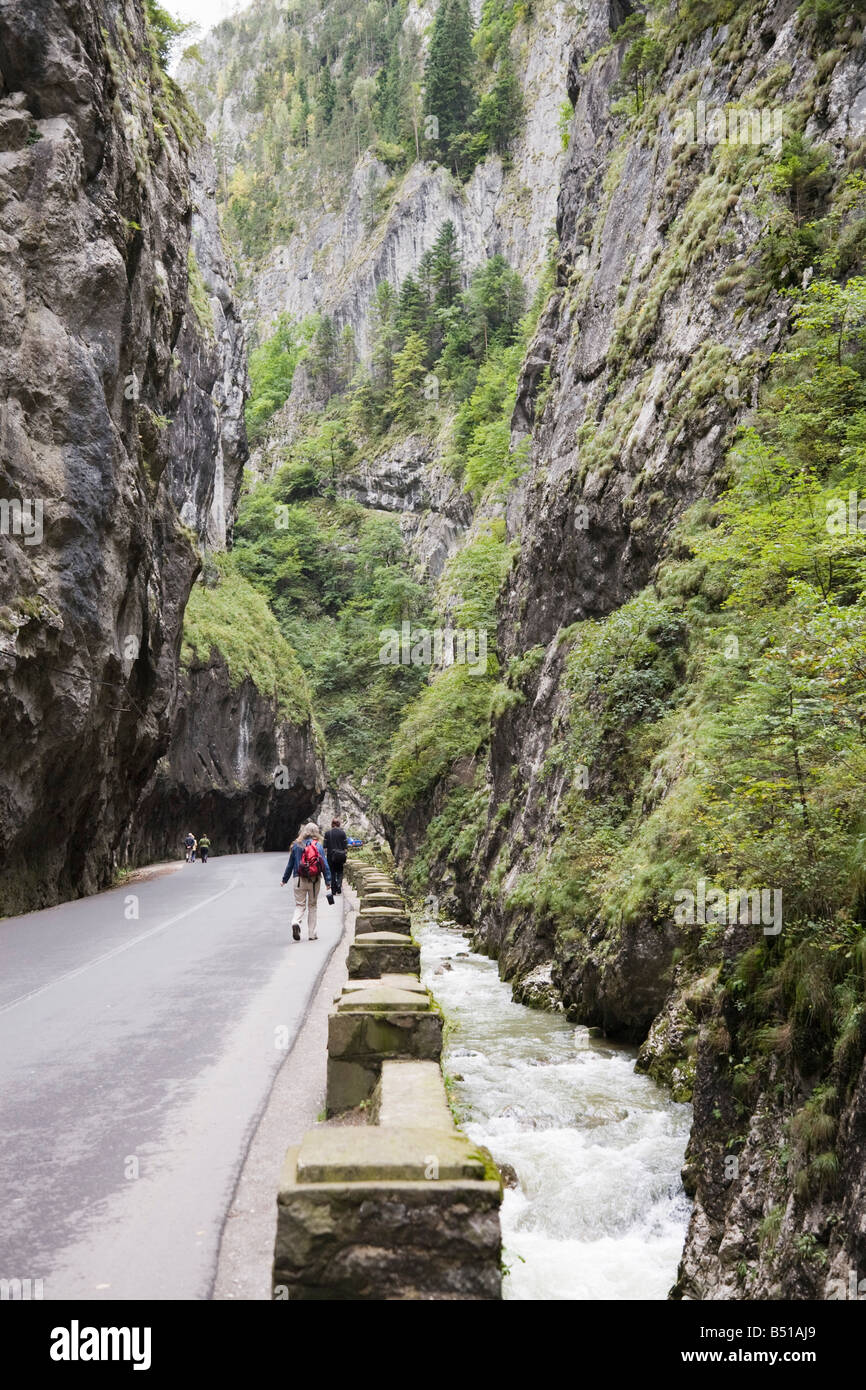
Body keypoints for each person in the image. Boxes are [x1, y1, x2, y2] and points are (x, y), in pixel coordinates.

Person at [281, 822, 332, 941]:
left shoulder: (296, 845)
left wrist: (284, 879)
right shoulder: (318, 846)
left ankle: (295, 922)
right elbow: (324, 865)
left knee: (300, 905)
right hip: (314, 880)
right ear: (316, 832)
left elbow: (290, 865)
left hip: (298, 879)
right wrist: (328, 881)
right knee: (312, 906)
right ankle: (311, 933)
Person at [323, 818, 348, 895]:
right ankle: (339, 885)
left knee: (332, 872)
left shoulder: (327, 833)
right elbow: (345, 847)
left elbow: (325, 847)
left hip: (331, 856)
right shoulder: (342, 833)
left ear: (332, 824)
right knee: (340, 872)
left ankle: (333, 890)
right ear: (339, 824)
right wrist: (345, 855)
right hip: (340, 856)